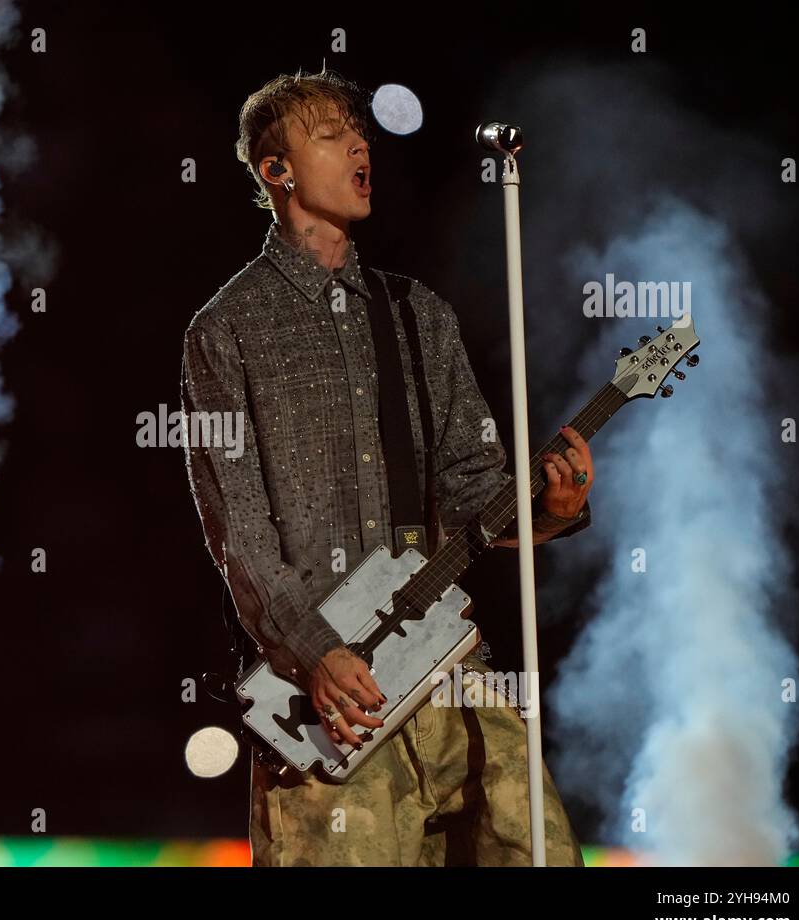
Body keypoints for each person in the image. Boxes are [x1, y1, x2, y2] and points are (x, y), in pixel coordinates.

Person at [179, 68, 594, 866]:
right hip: (326, 695)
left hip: (447, 666)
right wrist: (313, 649)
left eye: (361, 132)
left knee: (538, 851)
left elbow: (475, 495)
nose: (360, 145)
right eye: (332, 133)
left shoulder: (417, 315)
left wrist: (551, 509)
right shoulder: (226, 329)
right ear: (278, 171)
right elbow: (238, 528)